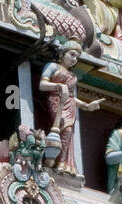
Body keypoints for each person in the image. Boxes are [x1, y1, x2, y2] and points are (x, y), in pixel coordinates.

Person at [39, 40, 102, 176]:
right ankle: (51, 159)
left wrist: (86, 105)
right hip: (55, 101)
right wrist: (59, 86)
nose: (74, 59)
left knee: (67, 132)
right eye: (72, 55)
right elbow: (42, 84)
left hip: (69, 105)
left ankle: (62, 164)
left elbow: (71, 97)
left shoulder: (72, 75)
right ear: (62, 53)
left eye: (77, 57)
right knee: (61, 126)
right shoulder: (53, 66)